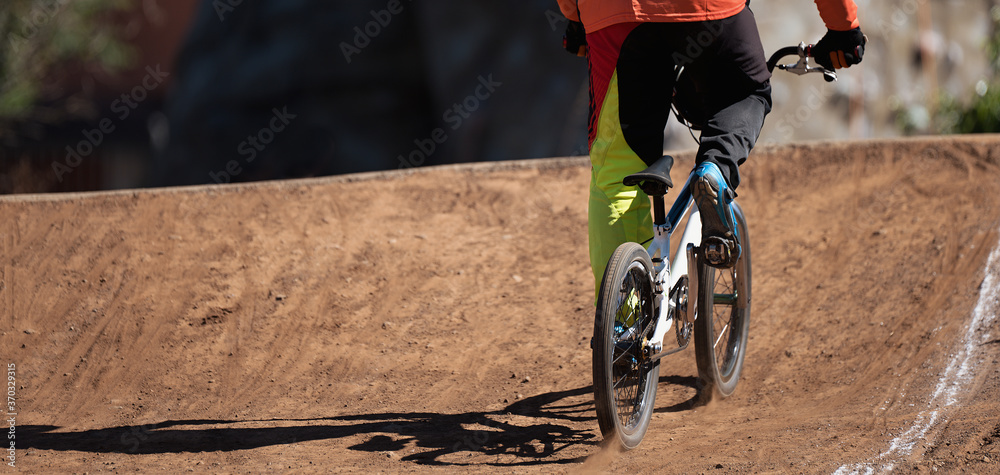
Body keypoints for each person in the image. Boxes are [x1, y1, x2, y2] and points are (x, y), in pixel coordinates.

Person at [557, 0, 865, 293]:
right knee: (745, 95)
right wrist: (843, 28)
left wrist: (575, 16)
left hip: (615, 15)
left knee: (618, 171)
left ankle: (623, 318)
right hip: (710, 11)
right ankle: (715, 168)